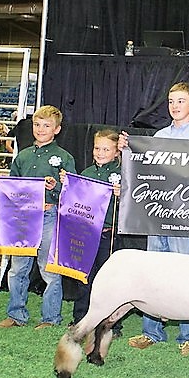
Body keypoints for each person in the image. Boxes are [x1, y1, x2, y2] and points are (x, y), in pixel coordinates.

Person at [124, 81, 189, 356]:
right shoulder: (158, 137)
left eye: (181, 101)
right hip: (158, 216)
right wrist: (129, 149)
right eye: (172, 101)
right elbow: (143, 172)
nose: (175, 106)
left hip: (186, 220)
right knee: (155, 275)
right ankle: (152, 331)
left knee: (187, 276)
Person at [0, 105, 76, 329]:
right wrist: (4, 185)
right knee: (18, 268)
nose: (41, 129)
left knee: (48, 269)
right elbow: (14, 186)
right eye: (37, 124)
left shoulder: (64, 158)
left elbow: (73, 192)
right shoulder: (23, 156)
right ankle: (16, 314)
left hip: (49, 214)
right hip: (23, 218)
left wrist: (56, 186)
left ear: (57, 130)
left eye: (47, 125)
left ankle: (50, 318)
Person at [66, 129, 123, 335]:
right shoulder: (86, 174)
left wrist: (121, 193)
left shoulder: (123, 174)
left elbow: (133, 200)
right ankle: (80, 318)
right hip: (88, 233)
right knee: (85, 278)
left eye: (106, 149)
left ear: (117, 152)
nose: (100, 152)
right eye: (97, 148)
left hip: (109, 234)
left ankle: (111, 323)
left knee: (109, 280)